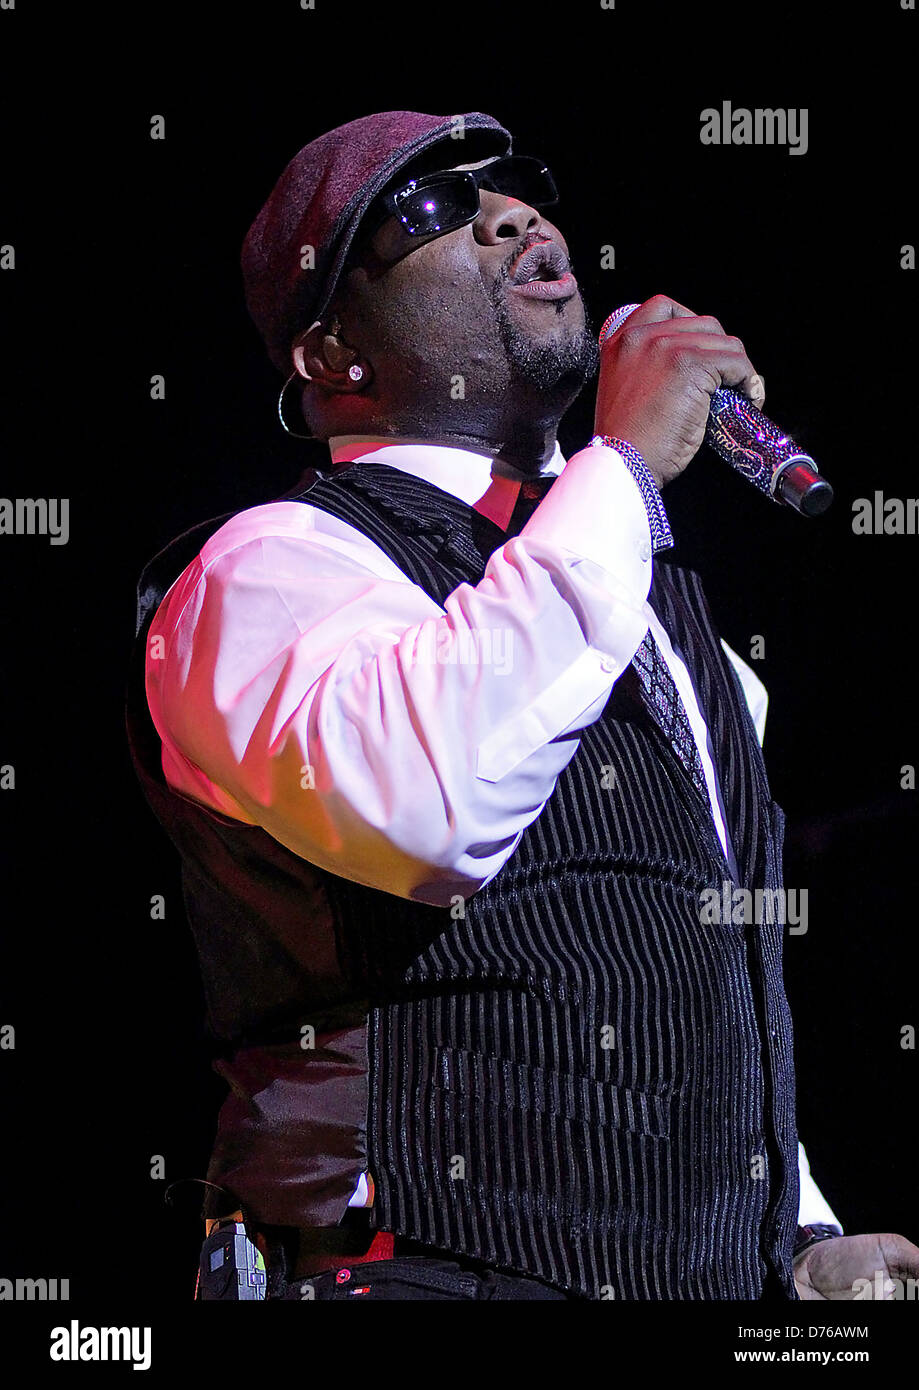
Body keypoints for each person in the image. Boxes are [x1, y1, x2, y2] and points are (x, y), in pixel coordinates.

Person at [126, 109, 919, 1301]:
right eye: (433, 208)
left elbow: (693, 972)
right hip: (413, 1273)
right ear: (332, 354)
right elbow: (428, 807)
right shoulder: (267, 569)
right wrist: (623, 470)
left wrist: (793, 1239)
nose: (516, 212)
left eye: (520, 183)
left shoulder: (650, 611)